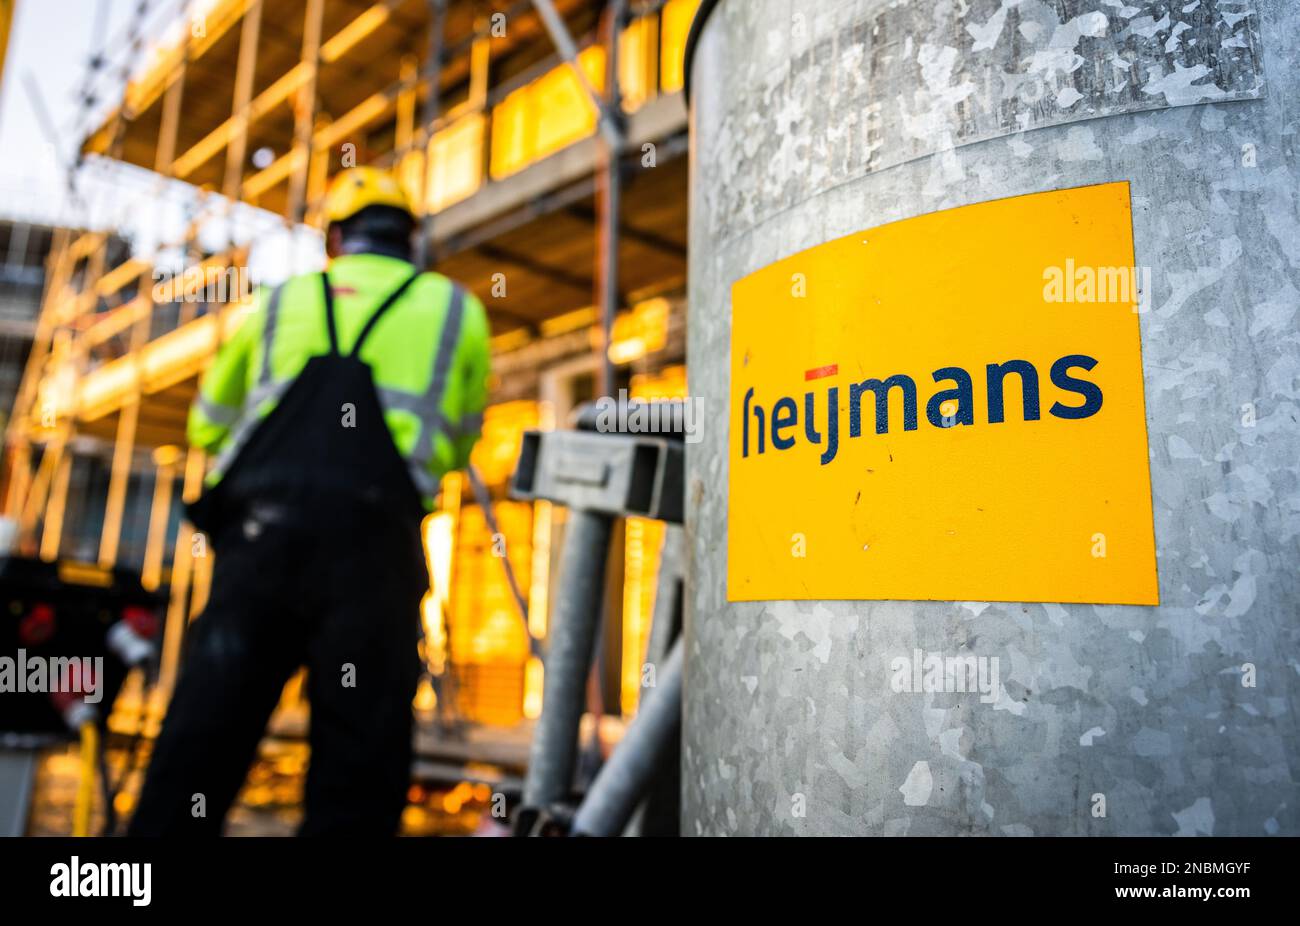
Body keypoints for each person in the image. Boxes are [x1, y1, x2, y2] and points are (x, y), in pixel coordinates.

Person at [129, 167, 490, 836]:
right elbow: (461, 442)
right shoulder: (456, 309)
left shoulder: (277, 302)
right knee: (361, 759)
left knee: (205, 733)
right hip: (376, 552)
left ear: (336, 241)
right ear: (409, 240)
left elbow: (206, 423)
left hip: (263, 544)